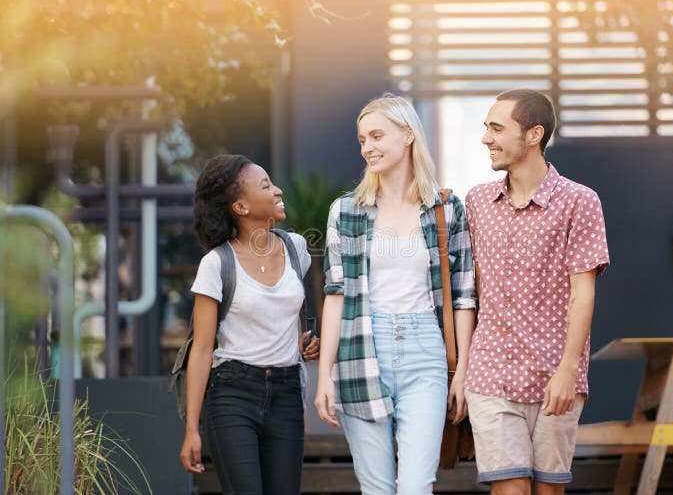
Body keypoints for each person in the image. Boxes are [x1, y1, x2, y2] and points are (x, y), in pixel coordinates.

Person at [314, 94, 477, 495]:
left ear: (407, 136)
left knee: (416, 486)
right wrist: (324, 376)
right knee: (377, 489)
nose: (367, 147)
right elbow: (335, 295)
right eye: (362, 140)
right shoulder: (346, 211)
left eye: (376, 136)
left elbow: (463, 297)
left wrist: (463, 371)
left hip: (426, 353)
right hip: (360, 349)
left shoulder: (446, 208)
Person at [464, 90, 610, 495]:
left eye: (497, 129)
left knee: (548, 491)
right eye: (486, 128)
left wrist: (568, 371)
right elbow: (470, 289)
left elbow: (583, 293)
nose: (486, 138)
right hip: (491, 374)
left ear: (533, 135)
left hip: (554, 376)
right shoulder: (477, 201)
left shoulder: (580, 202)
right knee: (511, 488)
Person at [179, 154, 320, 495]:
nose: (278, 190)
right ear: (240, 207)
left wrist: (303, 343)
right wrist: (192, 429)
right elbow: (202, 350)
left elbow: (284, 315)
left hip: (286, 393)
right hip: (233, 394)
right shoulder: (217, 264)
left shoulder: (296, 248)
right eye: (266, 186)